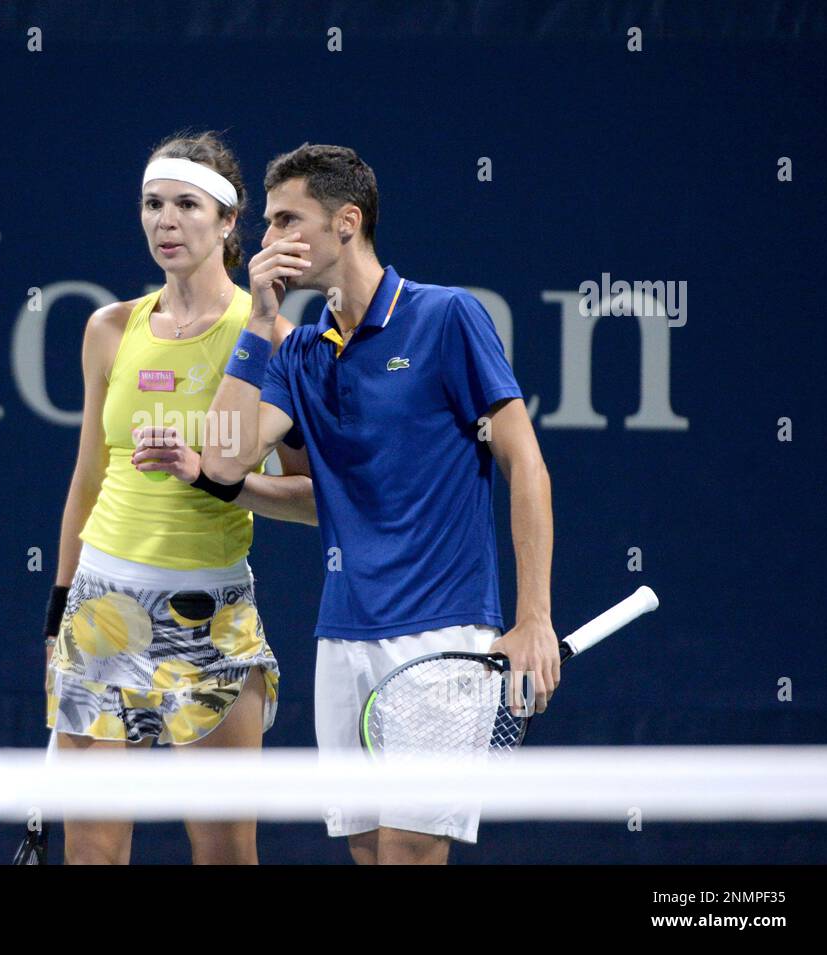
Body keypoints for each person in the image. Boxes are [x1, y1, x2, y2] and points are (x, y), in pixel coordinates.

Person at [202, 143, 558, 865]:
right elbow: (224, 460)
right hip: (341, 642)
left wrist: (534, 617)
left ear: (345, 224)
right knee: (370, 857)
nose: (266, 241)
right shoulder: (301, 353)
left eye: (284, 221)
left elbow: (526, 463)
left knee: (409, 856)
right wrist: (258, 322)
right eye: (267, 224)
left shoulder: (448, 317)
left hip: (442, 637)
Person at [44, 131, 315, 865]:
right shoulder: (109, 328)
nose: (165, 221)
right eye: (152, 204)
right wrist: (58, 604)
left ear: (229, 223)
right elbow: (88, 477)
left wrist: (216, 475)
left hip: (214, 616)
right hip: (100, 607)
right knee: (93, 851)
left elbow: (314, 497)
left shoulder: (276, 341)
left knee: (225, 853)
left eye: (186, 205)